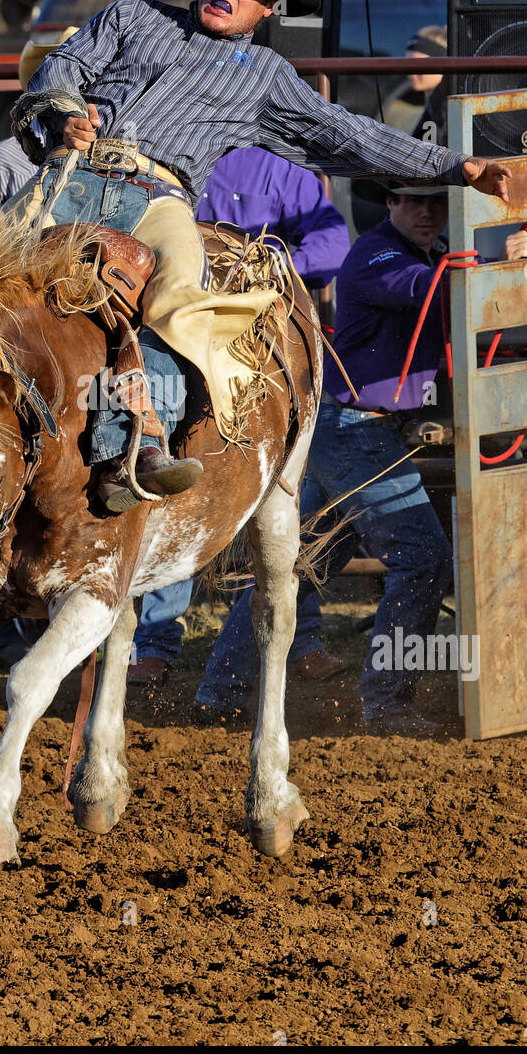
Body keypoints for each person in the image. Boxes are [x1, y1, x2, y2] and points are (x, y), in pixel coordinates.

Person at [0, 0, 510, 520]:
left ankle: (143, 442)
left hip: (158, 196)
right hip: (69, 174)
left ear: (267, 7)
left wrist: (456, 167)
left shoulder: (266, 77)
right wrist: (67, 106)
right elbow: (63, 65)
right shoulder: (133, 18)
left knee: (177, 293)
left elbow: (349, 135)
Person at [194, 182, 527, 734]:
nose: (426, 211)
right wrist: (501, 266)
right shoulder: (377, 256)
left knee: (293, 566)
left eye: (436, 201)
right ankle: (388, 701)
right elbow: (437, 293)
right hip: (357, 430)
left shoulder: (426, 252)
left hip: (354, 428)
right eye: (412, 200)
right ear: (391, 204)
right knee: (423, 560)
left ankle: (219, 691)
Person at [128, 150, 350, 685]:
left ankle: (298, 636)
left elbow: (332, 241)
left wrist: (269, 273)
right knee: (180, 471)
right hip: (173, 336)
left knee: (276, 489)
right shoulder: (158, 156)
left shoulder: (275, 168)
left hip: (258, 343)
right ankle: (155, 640)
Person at [352, 26, 448, 234]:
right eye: (407, 62)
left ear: (441, 62)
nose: (411, 72)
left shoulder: (447, 107)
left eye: (418, 64)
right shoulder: (405, 106)